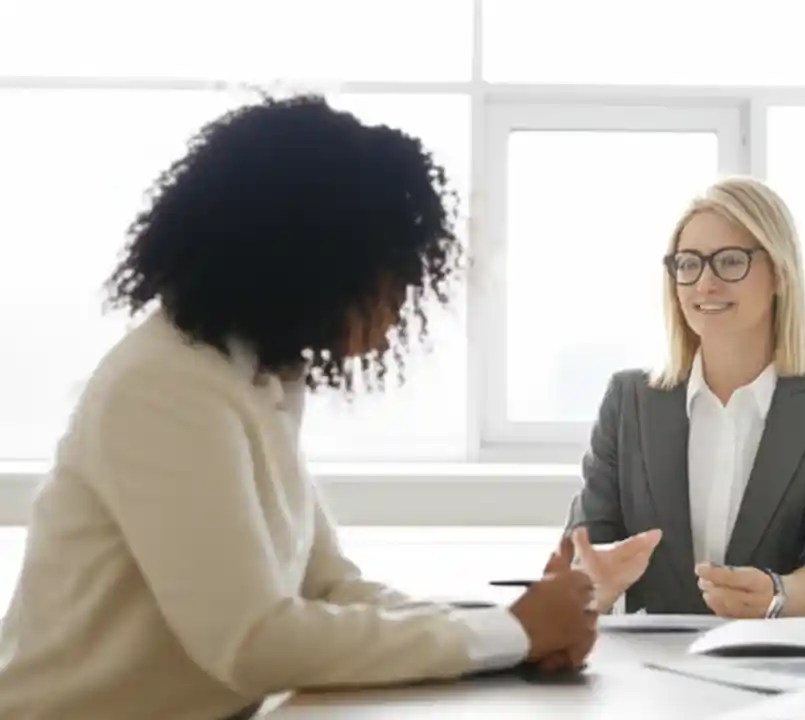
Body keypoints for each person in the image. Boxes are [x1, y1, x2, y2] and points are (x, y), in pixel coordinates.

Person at [0, 96, 596, 720]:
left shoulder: (261, 378)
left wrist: (511, 629)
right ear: (313, 263)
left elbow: (328, 586)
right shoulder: (163, 389)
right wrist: (514, 633)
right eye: (390, 282)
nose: (396, 316)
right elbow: (254, 642)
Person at [565, 176, 805, 618]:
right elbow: (584, 546)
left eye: (730, 262)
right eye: (689, 263)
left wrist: (778, 593)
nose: (704, 284)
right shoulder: (629, 401)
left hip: (774, 661)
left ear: (779, 274)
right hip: (649, 669)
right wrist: (593, 580)